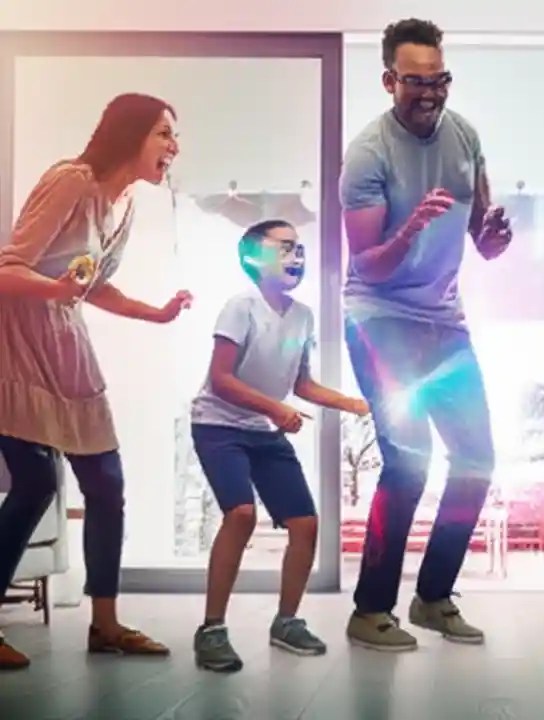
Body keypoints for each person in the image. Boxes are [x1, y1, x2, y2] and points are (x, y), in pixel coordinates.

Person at [338, 18, 513, 652]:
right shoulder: (368, 154)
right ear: (390, 81)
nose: (430, 94)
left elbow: (480, 237)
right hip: (379, 319)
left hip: (444, 321)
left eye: (438, 80)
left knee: (476, 460)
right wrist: (408, 228)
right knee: (409, 461)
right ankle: (370, 608)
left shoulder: (465, 136)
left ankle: (434, 596)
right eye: (415, 82)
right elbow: (367, 265)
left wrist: (491, 239)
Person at [0, 93, 192, 670]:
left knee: (106, 483)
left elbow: (95, 286)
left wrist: (153, 313)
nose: (173, 147)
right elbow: (9, 267)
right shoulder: (72, 180)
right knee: (35, 483)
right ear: (130, 134)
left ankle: (105, 624)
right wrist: (57, 291)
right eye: (163, 134)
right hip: (15, 346)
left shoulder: (125, 203)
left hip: (63, 341)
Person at [188, 220, 371, 672]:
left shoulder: (302, 315)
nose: (296, 256)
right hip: (218, 426)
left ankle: (287, 622)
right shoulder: (240, 307)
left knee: (305, 524)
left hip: (264, 430)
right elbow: (221, 380)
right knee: (241, 515)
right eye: (285, 247)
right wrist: (274, 409)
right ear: (257, 256)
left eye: (299, 248)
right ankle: (211, 629)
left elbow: (301, 383)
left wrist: (352, 403)